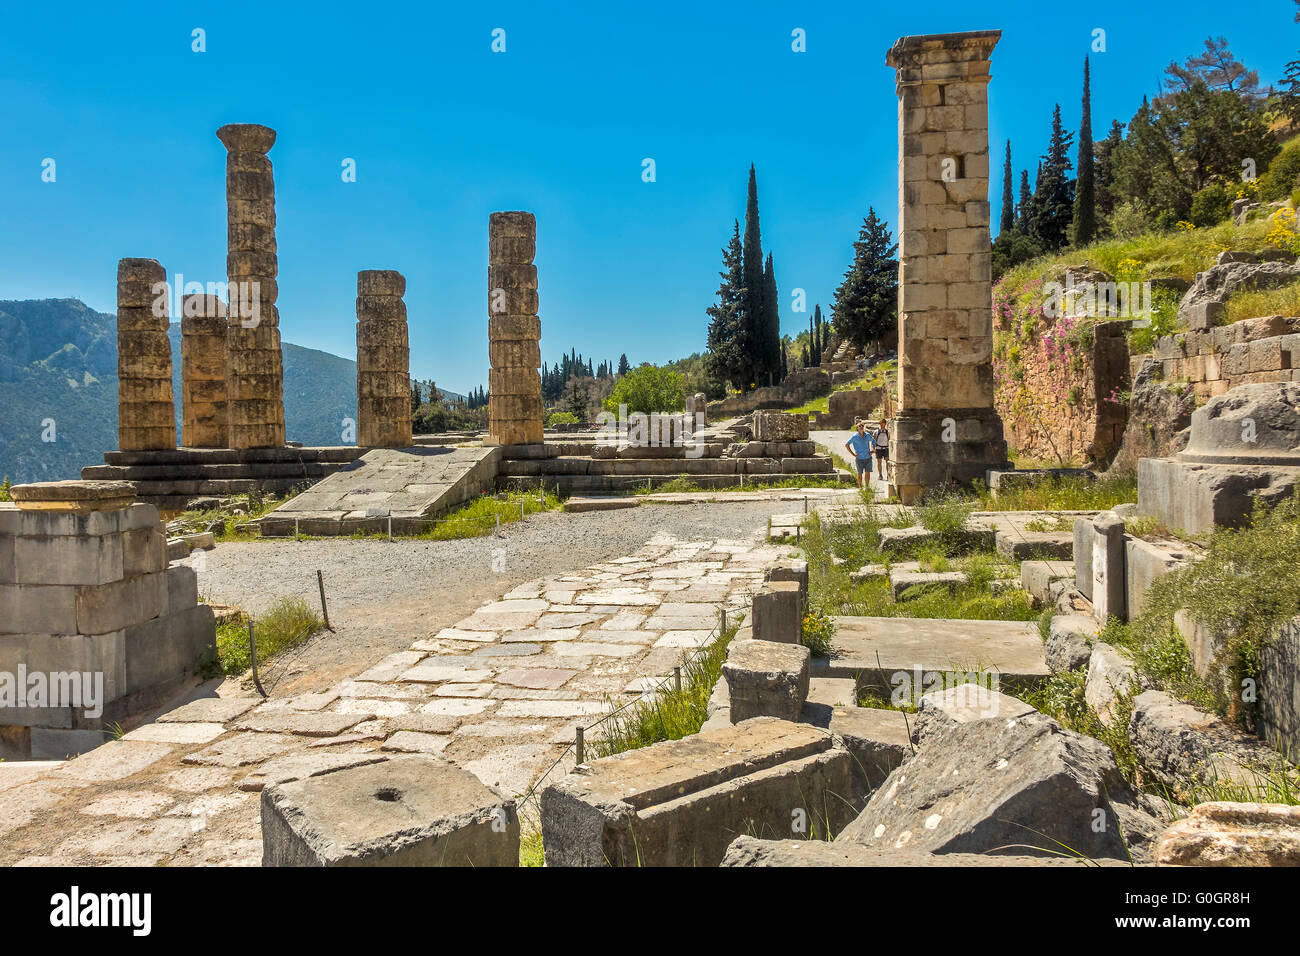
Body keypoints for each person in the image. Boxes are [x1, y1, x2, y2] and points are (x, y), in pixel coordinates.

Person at [844, 420, 875, 491]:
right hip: (859, 458)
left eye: (862, 426)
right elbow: (846, 444)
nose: (861, 427)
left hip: (868, 457)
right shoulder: (855, 436)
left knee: (867, 473)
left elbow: (873, 441)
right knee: (859, 474)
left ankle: (867, 487)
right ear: (857, 428)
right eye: (859, 426)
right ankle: (860, 488)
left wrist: (873, 449)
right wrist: (853, 454)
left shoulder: (867, 435)